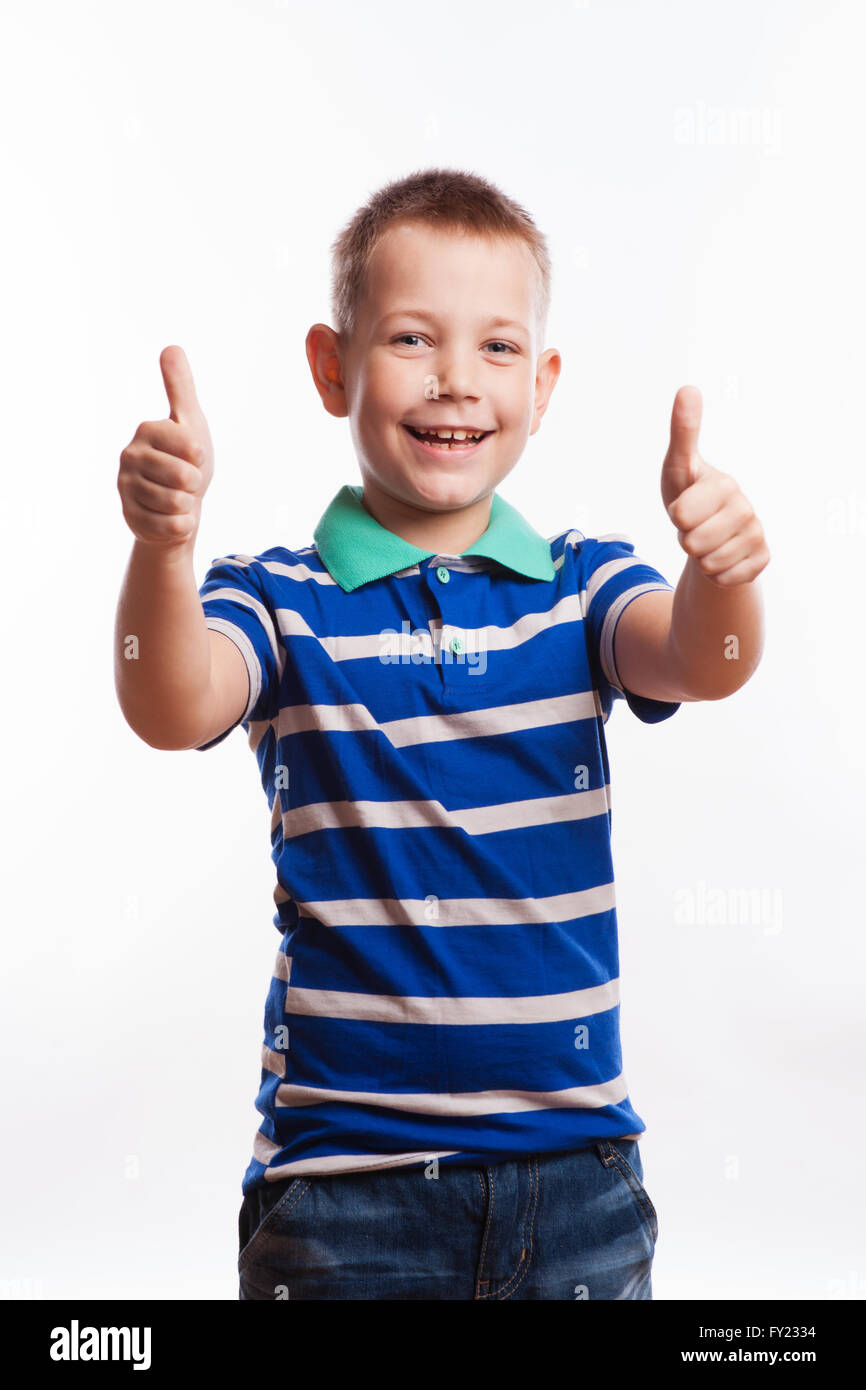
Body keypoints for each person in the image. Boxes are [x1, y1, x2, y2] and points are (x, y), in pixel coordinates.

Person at [114, 167, 769, 1300]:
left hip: (577, 1184)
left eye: (498, 348)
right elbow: (168, 703)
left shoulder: (579, 585)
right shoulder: (277, 597)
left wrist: (720, 572)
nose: (457, 379)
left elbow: (702, 662)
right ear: (333, 367)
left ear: (544, 382)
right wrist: (161, 547)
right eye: (413, 338)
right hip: (343, 1193)